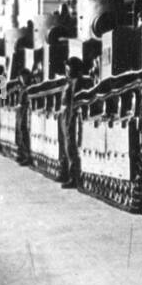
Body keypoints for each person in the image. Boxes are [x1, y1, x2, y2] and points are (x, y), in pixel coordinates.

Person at [57, 56, 89, 188]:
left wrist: (70, 119)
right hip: (64, 116)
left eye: (68, 68)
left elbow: (72, 103)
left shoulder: (76, 83)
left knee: (71, 147)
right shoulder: (69, 82)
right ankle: (65, 172)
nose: (66, 70)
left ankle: (73, 177)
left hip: (70, 117)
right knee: (65, 145)